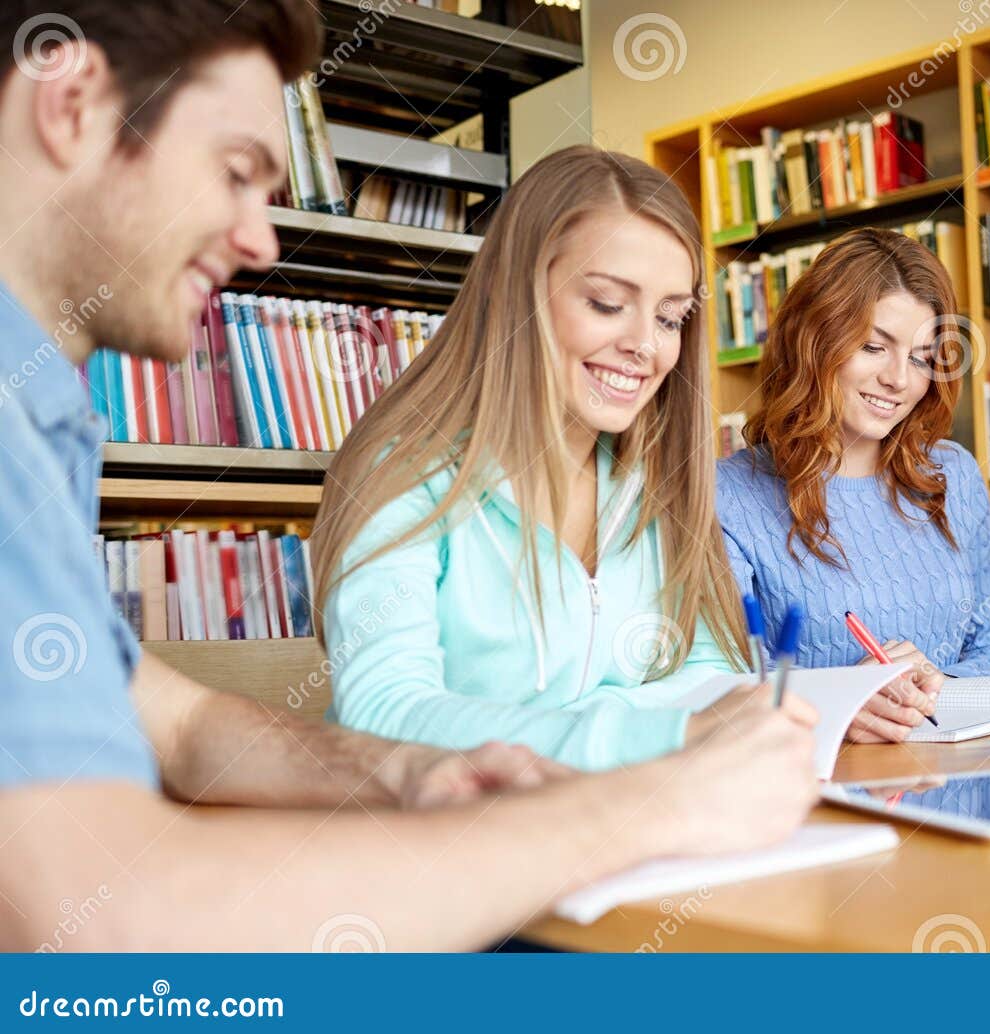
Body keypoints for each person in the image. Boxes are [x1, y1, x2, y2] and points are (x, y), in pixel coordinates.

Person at [0, 0, 816, 952]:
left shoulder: (41, 417)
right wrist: (646, 797)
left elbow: (178, 727)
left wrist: (400, 769)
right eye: (234, 172)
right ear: (70, 105)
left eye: (671, 315)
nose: (264, 241)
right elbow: (95, 923)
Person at [312, 145, 803, 772]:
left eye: (671, 317)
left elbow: (709, 673)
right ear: (517, 293)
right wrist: (641, 734)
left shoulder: (655, 480)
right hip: (436, 843)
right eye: (605, 304)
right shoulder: (404, 475)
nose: (644, 347)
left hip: (613, 829)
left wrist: (627, 731)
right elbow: (386, 712)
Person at [718, 228, 990, 744]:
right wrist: (843, 700)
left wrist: (937, 683)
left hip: (958, 783)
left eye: (921, 357)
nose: (898, 380)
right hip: (818, 793)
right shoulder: (727, 494)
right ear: (812, 341)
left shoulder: (953, 475)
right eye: (872, 346)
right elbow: (721, 689)